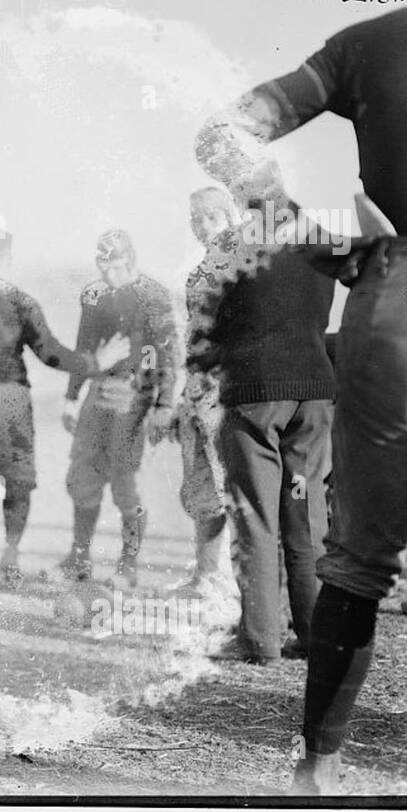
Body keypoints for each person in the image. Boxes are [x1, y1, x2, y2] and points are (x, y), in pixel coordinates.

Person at [196, 0, 407, 794]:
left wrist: (310, 229)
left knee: (360, 558)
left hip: (403, 294)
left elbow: (221, 132)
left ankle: (318, 769)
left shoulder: (370, 39)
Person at [186, 186, 336, 663]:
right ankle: (315, 635)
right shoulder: (314, 254)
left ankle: (260, 639)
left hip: (253, 396)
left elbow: (203, 343)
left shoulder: (218, 264)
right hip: (313, 391)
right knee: (307, 516)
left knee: (256, 517)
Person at [0, 225, 129, 588]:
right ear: (9, 259)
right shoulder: (21, 300)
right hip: (10, 399)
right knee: (17, 483)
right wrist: (96, 361)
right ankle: (11, 555)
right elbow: (51, 354)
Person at [60, 229, 178, 588]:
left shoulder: (153, 294)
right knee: (83, 476)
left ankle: (128, 566)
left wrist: (164, 402)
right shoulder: (94, 295)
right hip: (98, 391)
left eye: (114, 264)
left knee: (124, 482)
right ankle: (79, 558)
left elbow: (168, 353)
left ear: (129, 260)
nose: (108, 272)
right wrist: (70, 396)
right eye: (102, 264)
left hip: (134, 394)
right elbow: (83, 347)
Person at [168, 189, 236, 600]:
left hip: (228, 390)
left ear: (229, 218)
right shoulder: (198, 273)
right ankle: (208, 572)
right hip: (197, 389)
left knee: (224, 483)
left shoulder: (242, 267)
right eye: (197, 217)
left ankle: (226, 579)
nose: (204, 225)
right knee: (199, 485)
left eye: (213, 217)